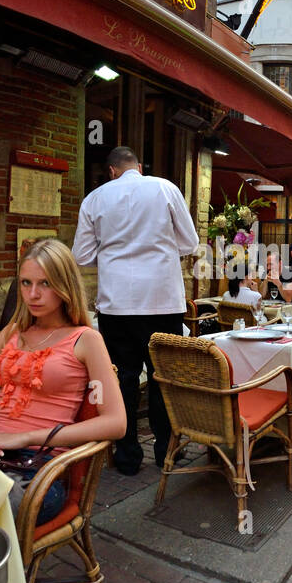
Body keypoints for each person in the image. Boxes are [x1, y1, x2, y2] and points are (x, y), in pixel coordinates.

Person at [0, 239, 125, 522]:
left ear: (65, 286)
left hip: (38, 470)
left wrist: (24, 437)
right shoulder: (13, 333)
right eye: (26, 283)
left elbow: (115, 422)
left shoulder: (85, 339)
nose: (33, 295)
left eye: (45, 284)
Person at [72, 146, 199, 476]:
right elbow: (189, 243)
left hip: (117, 303)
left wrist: (115, 252)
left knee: (123, 379)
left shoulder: (95, 199)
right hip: (162, 300)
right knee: (162, 377)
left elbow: (82, 255)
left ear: (111, 171)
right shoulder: (165, 188)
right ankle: (164, 451)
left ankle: (127, 457)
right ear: (138, 167)